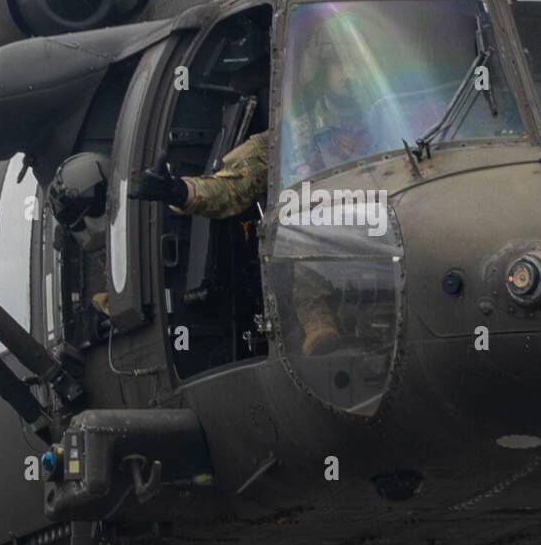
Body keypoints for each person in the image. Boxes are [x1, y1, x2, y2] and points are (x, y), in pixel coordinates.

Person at [128, 54, 379, 355]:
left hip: (389, 231)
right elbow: (229, 187)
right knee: (299, 239)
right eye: (341, 62)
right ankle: (318, 323)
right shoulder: (284, 142)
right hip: (329, 258)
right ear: (321, 74)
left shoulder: (395, 119)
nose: (352, 73)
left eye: (357, 63)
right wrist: (178, 190)